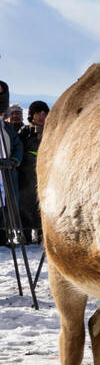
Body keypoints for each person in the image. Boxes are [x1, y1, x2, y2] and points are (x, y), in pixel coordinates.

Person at [18, 101, 47, 242]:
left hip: (44, 174)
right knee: (26, 204)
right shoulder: (25, 131)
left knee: (42, 204)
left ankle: (42, 234)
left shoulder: (51, 131)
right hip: (26, 174)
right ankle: (26, 234)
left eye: (44, 114)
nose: (41, 117)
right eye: (38, 114)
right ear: (32, 116)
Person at [0, 82, 24, 248]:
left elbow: (18, 146)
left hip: (5, 172)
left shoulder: (7, 128)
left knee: (6, 205)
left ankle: (4, 236)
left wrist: (14, 160)